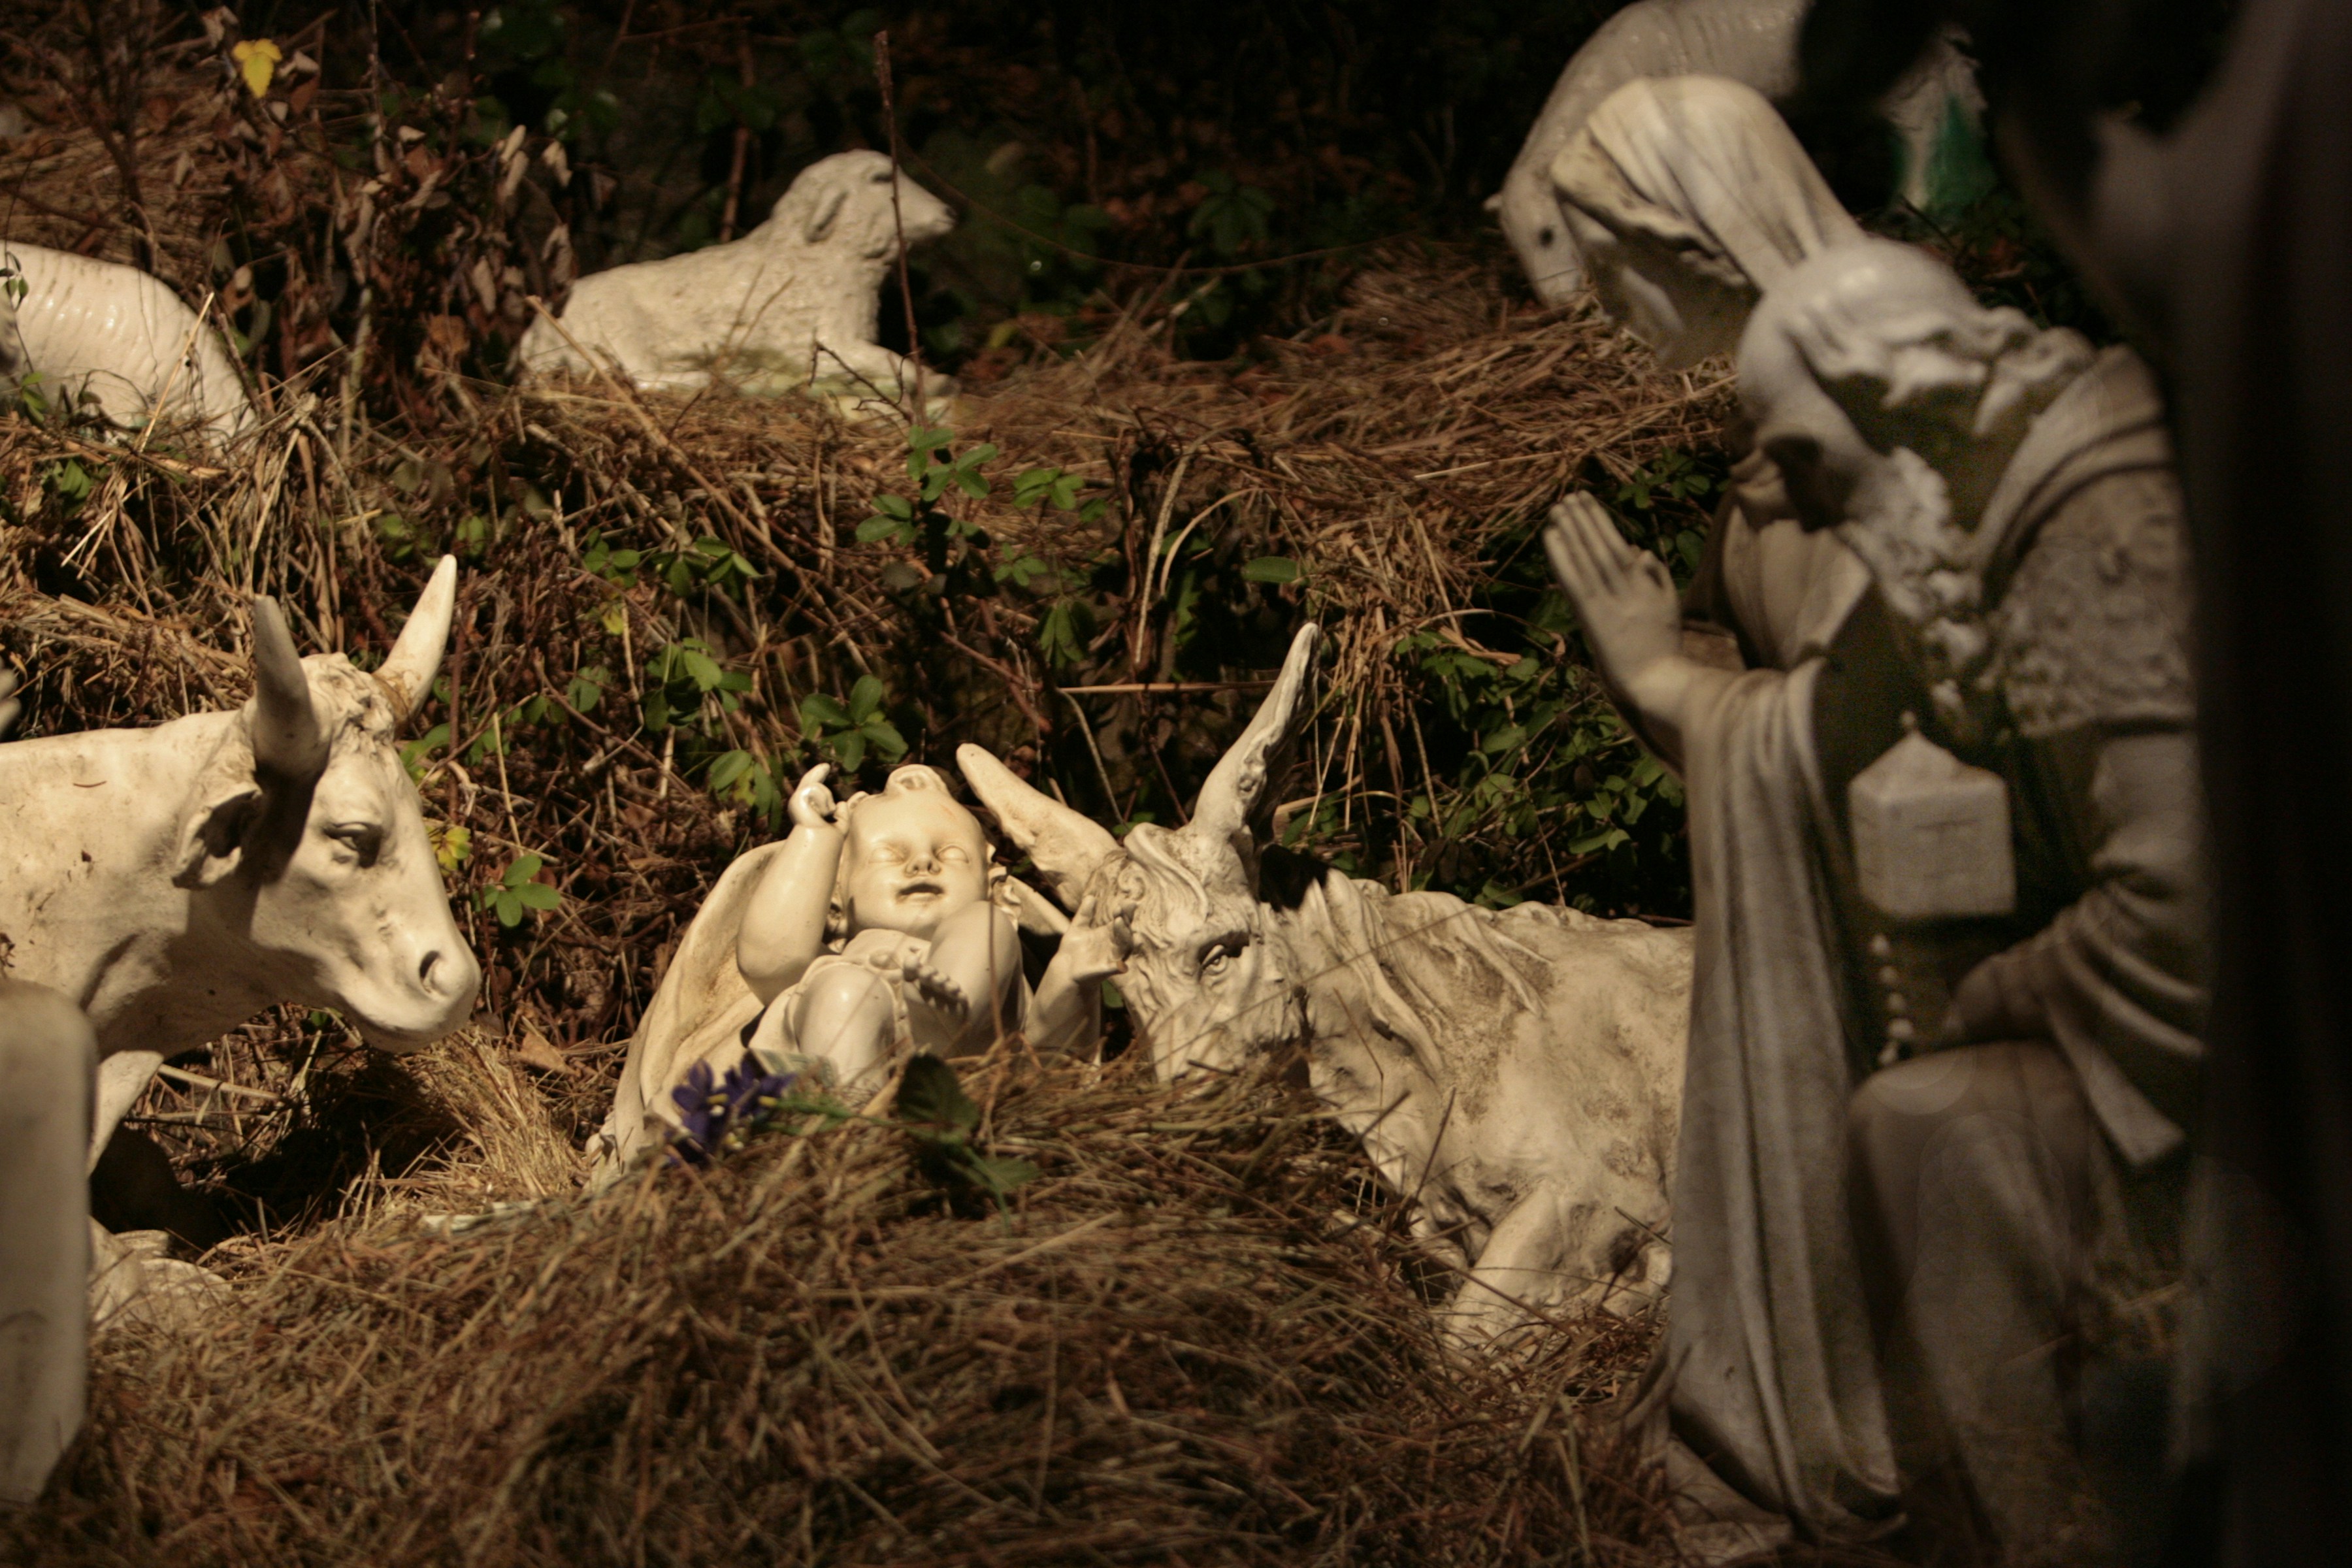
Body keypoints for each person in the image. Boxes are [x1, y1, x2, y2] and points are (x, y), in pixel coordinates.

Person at [1548, 237, 2204, 1564]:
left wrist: (2001, 989)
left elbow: (2184, 902)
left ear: (1896, 401)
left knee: (1931, 1134)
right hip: (2150, 1038)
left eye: (1802, 456)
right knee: (1917, 1129)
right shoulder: (2001, 517)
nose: (1793, 500)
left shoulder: (2095, 516)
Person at [734, 762, 1099, 1094]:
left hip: (975, 1055)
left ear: (998, 889)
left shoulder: (997, 947)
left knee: (985, 925)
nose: (924, 862)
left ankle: (950, 1012)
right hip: (853, 1032)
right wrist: (816, 837)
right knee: (841, 990)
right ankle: (850, 1121)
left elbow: (1050, 1061)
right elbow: (771, 959)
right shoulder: (832, 966)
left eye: (951, 854)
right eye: (888, 855)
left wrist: (1070, 982)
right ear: (833, 903)